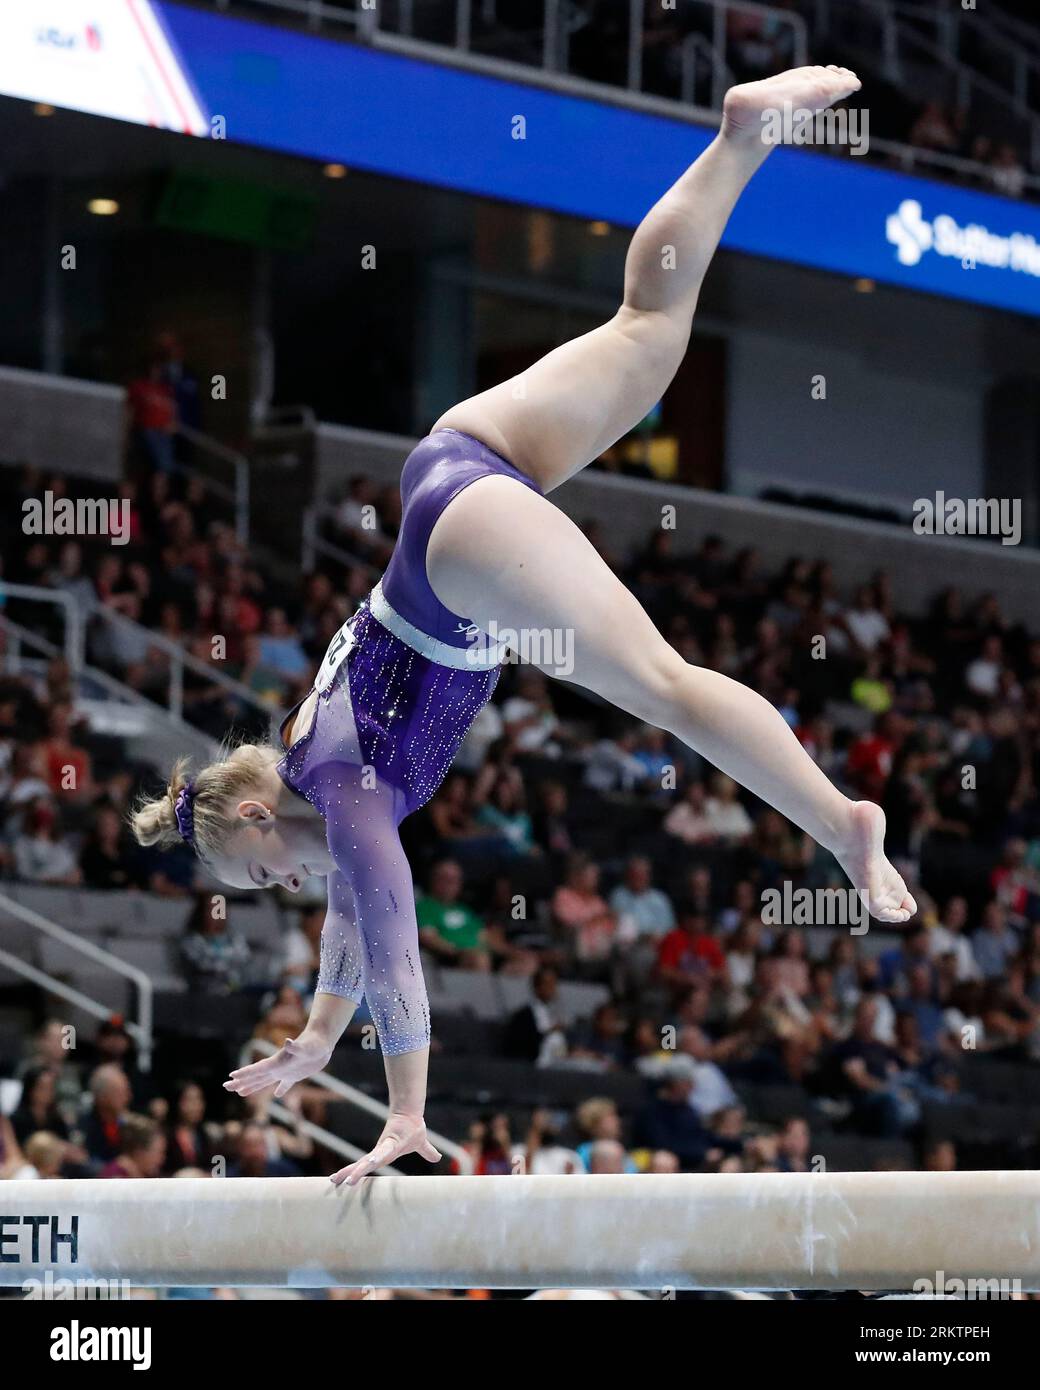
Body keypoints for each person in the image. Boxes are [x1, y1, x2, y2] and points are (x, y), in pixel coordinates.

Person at [131, 65, 913, 1186]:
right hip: (459, 464)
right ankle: (741, 137)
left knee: (663, 685)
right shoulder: (316, 788)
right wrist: (313, 1038)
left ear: (255, 814)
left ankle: (841, 822)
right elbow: (350, 926)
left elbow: (388, 929)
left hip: (459, 556)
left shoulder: (345, 796)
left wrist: (404, 1110)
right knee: (649, 328)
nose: (279, 891)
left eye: (257, 875)